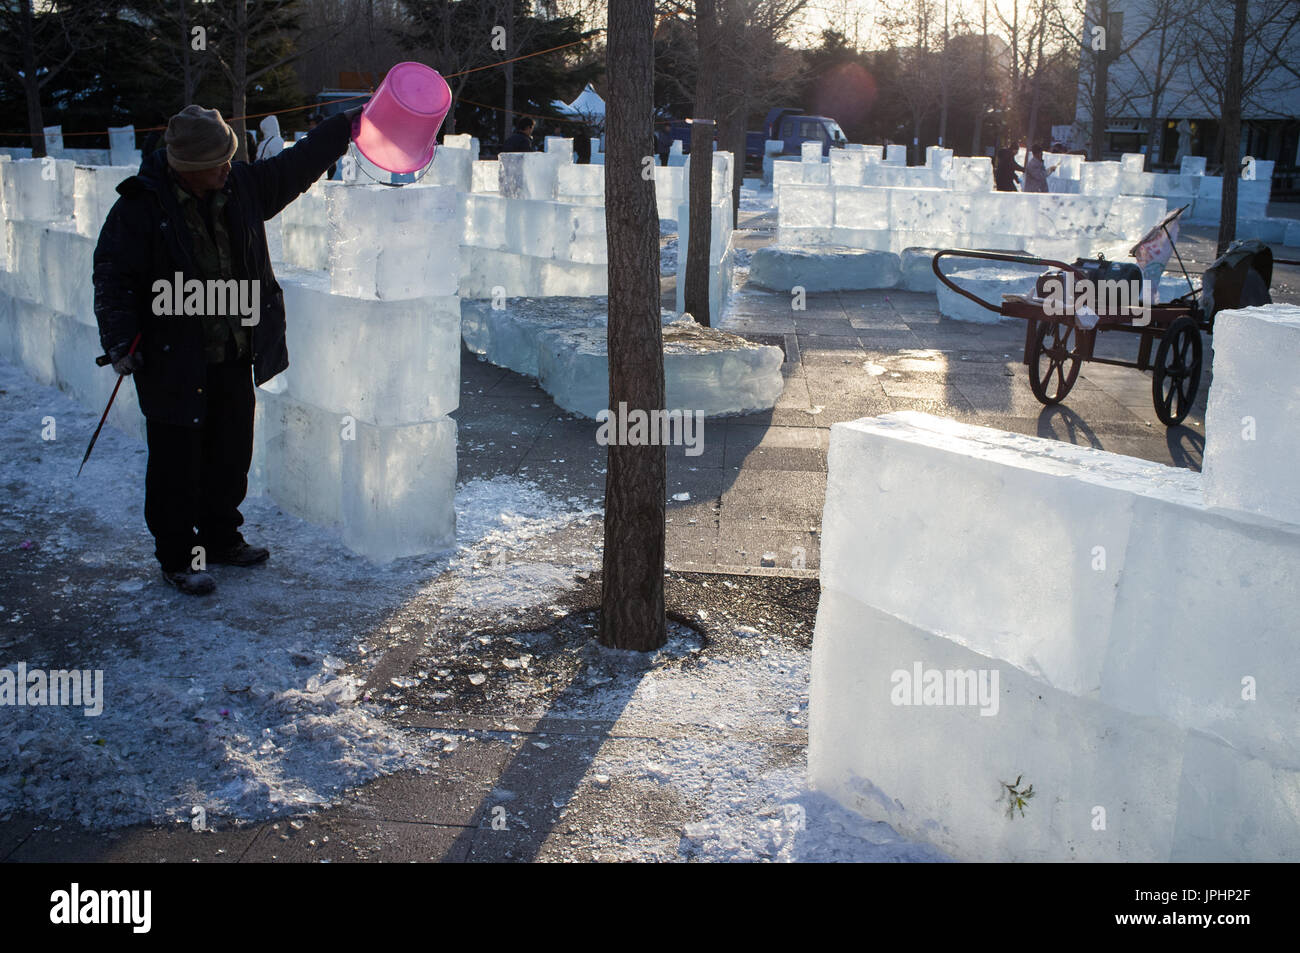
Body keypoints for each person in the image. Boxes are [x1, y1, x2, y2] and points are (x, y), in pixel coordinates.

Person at [93, 104, 358, 595]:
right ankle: (178, 556)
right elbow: (113, 275)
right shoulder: (140, 207)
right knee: (177, 464)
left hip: (235, 350)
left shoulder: (241, 187)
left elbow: (295, 167)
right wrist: (117, 338)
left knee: (230, 454)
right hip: (175, 357)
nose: (227, 168)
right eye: (216, 163)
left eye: (228, 159)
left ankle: (220, 538)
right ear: (187, 168)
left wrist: (342, 127)